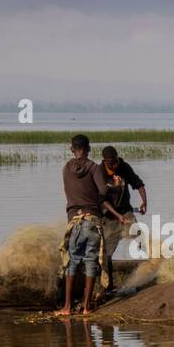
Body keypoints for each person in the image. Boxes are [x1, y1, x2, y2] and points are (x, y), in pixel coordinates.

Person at [59, 134, 125, 318]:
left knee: (71, 263)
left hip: (74, 222)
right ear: (88, 149)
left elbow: (68, 192)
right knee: (90, 263)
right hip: (92, 221)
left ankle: (67, 307)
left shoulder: (65, 168)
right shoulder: (94, 168)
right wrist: (116, 187)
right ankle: (87, 307)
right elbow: (103, 191)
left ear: (72, 149)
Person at [98, 146, 147, 292]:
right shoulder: (99, 172)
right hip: (108, 216)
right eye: (110, 163)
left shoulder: (124, 167)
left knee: (139, 237)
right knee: (107, 253)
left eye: (115, 161)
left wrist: (144, 202)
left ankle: (149, 269)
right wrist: (117, 216)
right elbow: (102, 200)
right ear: (105, 161)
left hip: (125, 212)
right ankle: (108, 286)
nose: (114, 165)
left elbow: (139, 184)